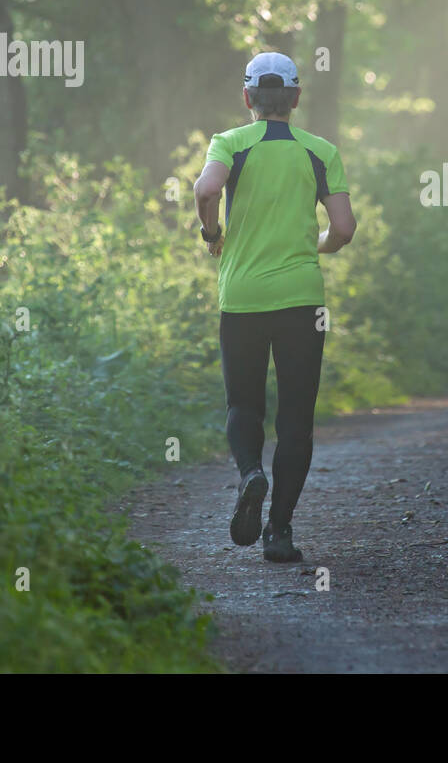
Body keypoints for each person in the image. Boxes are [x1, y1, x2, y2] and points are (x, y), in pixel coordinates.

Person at [193, 51, 356, 562]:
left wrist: (212, 231)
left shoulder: (231, 142)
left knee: (243, 405)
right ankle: (279, 532)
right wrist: (318, 245)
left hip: (242, 299)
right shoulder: (320, 151)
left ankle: (251, 474)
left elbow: (206, 188)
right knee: (296, 418)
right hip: (302, 301)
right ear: (296, 98)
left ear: (247, 98)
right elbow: (345, 229)